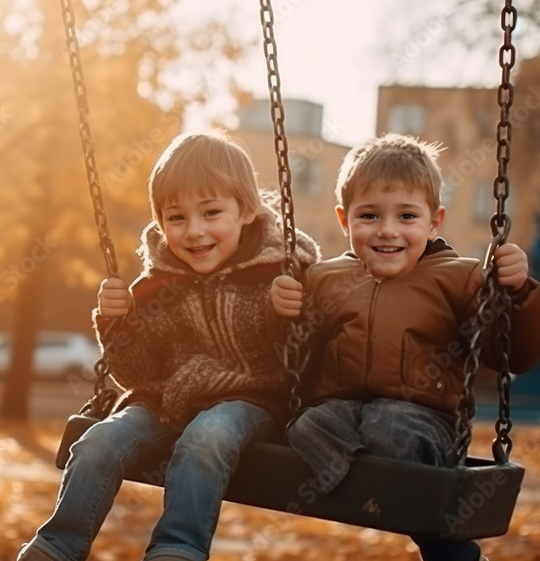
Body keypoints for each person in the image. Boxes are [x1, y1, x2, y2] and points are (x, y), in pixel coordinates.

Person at [17, 130, 319, 561]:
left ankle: (177, 549)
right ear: (160, 222)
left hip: (250, 400)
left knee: (205, 439)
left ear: (246, 210)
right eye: (176, 218)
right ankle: (56, 547)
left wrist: (284, 315)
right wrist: (117, 324)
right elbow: (138, 374)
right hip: (165, 400)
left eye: (211, 212)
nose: (194, 232)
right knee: (98, 442)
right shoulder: (158, 285)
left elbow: (306, 365)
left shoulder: (279, 271)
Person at [270, 133, 540, 561]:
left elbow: (513, 355)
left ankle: (384, 501)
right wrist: (283, 313)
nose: (387, 230)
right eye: (369, 215)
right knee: (306, 426)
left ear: (434, 222)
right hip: (344, 418)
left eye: (406, 216)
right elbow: (294, 356)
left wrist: (517, 294)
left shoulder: (459, 278)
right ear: (344, 221)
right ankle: (371, 492)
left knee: (388, 425)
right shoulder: (325, 279)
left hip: (425, 422)